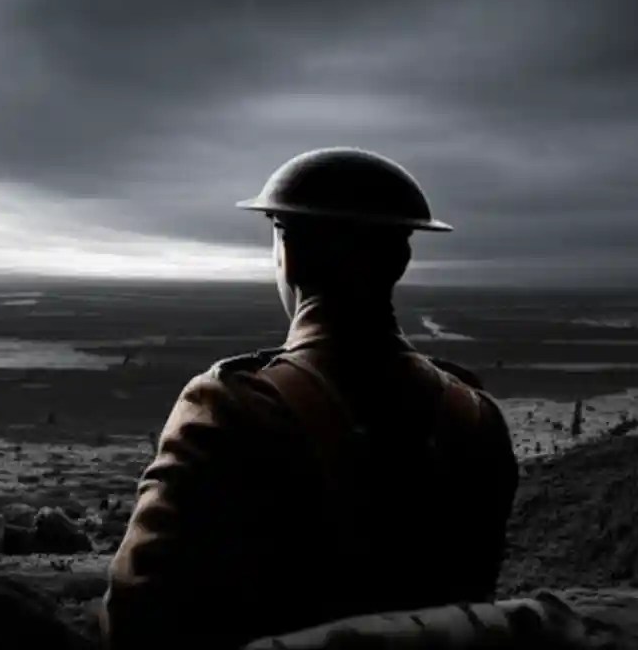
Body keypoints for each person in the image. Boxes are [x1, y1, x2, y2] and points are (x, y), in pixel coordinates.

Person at [100, 148, 519, 649]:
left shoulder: (228, 407)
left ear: (288, 254)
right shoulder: (476, 418)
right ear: (401, 261)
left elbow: (137, 618)